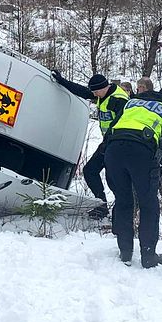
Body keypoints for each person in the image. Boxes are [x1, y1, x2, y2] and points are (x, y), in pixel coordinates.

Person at [104, 85, 162, 268]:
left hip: (113, 149)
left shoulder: (132, 103)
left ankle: (125, 252)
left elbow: (112, 128)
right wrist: (158, 161)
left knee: (123, 200)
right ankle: (148, 256)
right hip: (141, 151)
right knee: (148, 204)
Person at [51, 70, 129, 219]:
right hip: (108, 143)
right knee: (90, 171)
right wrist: (61, 81)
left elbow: (122, 123)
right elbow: (83, 91)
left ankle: (125, 210)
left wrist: (109, 142)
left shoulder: (118, 100)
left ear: (102, 88)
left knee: (114, 179)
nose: (93, 95)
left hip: (118, 144)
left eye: (95, 92)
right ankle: (101, 205)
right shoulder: (103, 93)